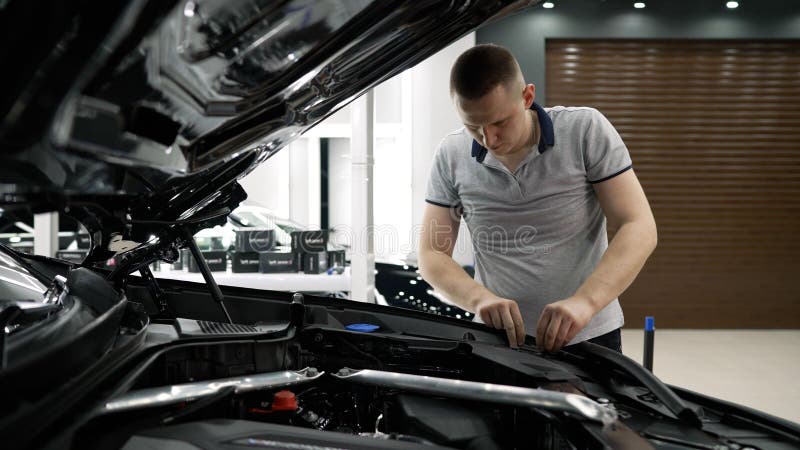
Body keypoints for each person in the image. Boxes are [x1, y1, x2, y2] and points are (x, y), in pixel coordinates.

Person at [418, 44, 657, 353]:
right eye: (473, 125)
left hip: (588, 333)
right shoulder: (451, 154)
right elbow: (432, 254)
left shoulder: (585, 130)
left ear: (527, 97)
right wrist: (480, 299)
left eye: (500, 122)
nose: (489, 139)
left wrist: (585, 302)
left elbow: (638, 225)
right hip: (497, 339)